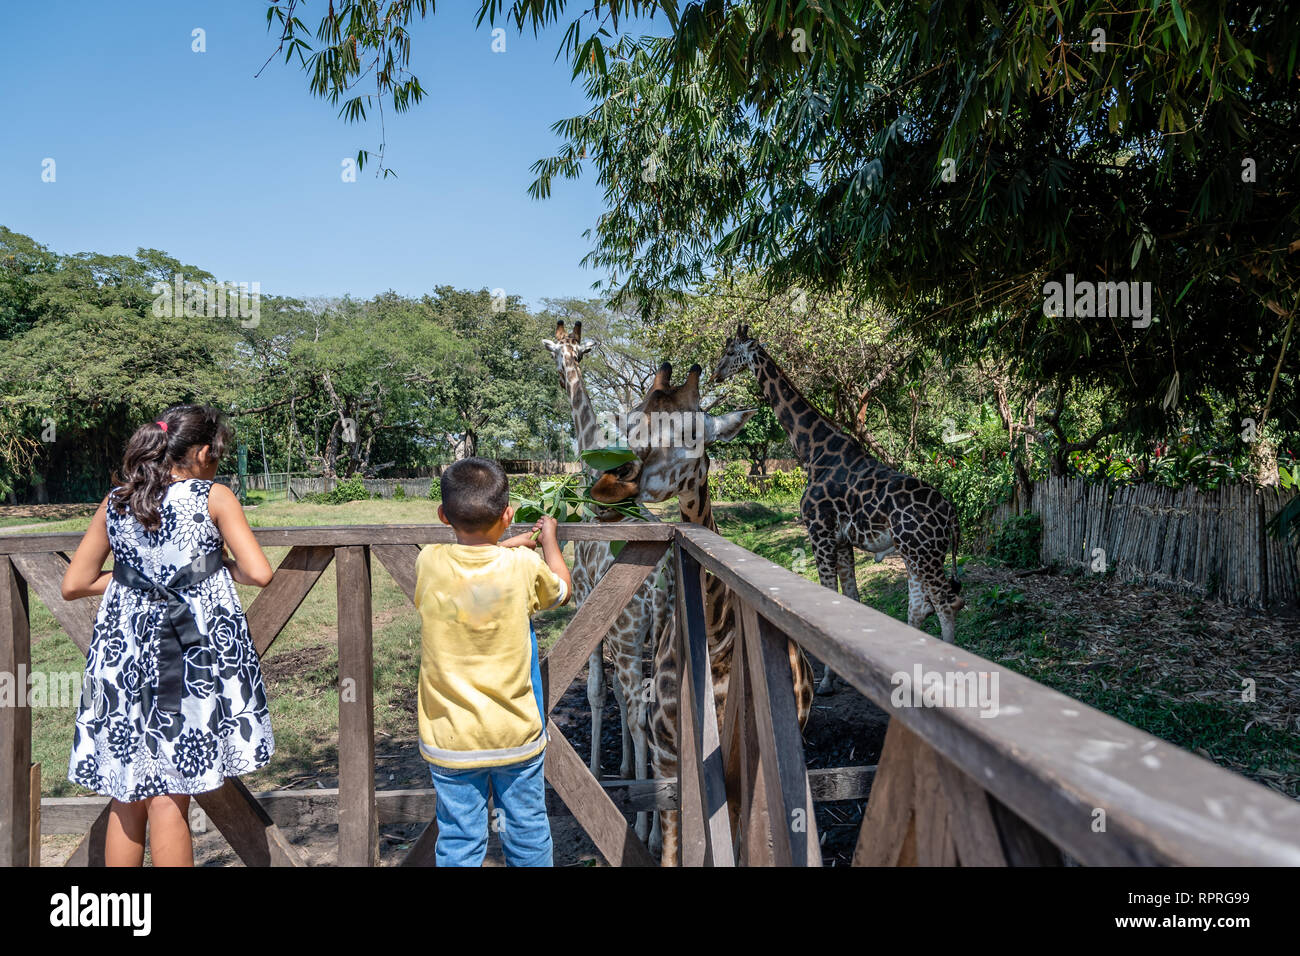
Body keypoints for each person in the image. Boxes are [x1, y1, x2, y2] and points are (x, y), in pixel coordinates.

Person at [62, 405, 275, 866]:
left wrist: (133, 583)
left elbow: (74, 583)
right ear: (200, 453)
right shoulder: (213, 497)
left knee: (128, 793)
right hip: (187, 656)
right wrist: (209, 570)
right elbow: (259, 573)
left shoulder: (117, 500)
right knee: (170, 795)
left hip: (123, 659)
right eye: (216, 455)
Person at [416, 456, 572, 866]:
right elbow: (561, 591)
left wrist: (505, 544)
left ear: (442, 516)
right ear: (508, 515)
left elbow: (471, 561)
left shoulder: (428, 561)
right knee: (527, 832)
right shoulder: (523, 566)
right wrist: (548, 539)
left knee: (459, 840)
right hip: (515, 737)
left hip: (450, 741)